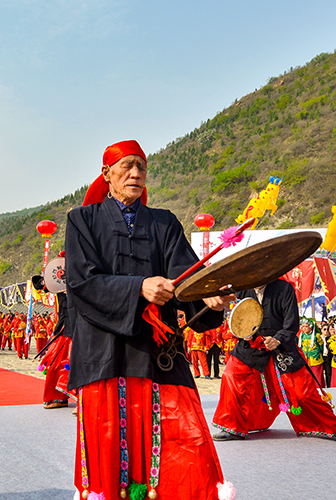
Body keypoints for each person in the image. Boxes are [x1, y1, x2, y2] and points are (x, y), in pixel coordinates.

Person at [65, 140, 235, 500]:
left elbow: (185, 277)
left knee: (186, 447)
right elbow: (81, 282)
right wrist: (139, 287)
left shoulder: (164, 222)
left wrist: (209, 297)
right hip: (104, 356)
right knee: (110, 459)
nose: (135, 173)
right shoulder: (82, 221)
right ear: (106, 174)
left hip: (159, 354)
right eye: (126, 166)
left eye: (141, 166)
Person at [212, 280, 336, 444]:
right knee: (231, 376)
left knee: (302, 392)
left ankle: (331, 427)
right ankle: (233, 427)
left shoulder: (284, 288)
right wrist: (244, 333)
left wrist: (277, 339)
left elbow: (292, 323)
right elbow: (239, 318)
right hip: (250, 348)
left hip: (281, 348)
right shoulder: (242, 288)